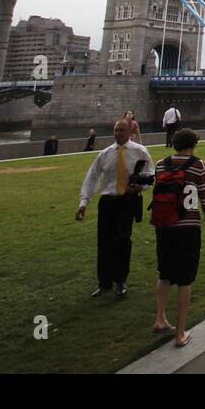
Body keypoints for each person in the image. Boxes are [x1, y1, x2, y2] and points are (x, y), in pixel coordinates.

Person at [149, 129, 205, 349]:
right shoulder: (198, 165)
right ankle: (180, 333)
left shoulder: (161, 164)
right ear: (194, 144)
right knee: (185, 280)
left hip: (164, 226)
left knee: (164, 274)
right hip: (188, 228)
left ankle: (160, 318)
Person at [75, 118, 155, 299]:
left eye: (121, 130)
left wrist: (140, 187)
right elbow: (92, 177)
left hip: (127, 201)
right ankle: (104, 282)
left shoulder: (140, 151)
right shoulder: (105, 154)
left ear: (129, 132)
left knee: (122, 240)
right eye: (116, 130)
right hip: (107, 201)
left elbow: (151, 175)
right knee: (104, 242)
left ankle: (120, 281)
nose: (118, 133)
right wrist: (83, 203)